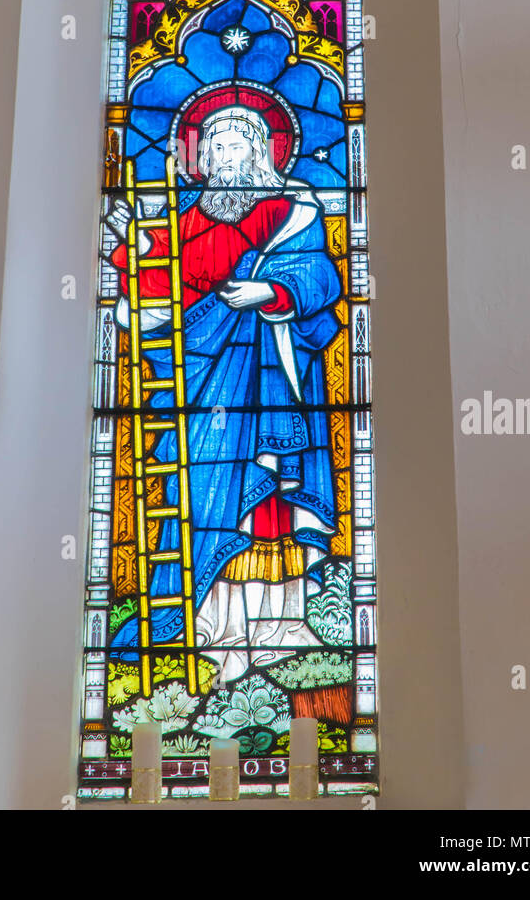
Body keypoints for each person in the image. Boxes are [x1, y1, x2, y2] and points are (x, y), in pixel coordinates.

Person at [106, 104, 341, 681]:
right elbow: (158, 279)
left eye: (237, 144)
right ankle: (206, 624)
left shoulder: (293, 208)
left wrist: (268, 290)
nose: (224, 155)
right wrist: (129, 242)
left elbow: (319, 276)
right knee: (198, 486)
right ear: (202, 156)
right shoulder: (184, 215)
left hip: (263, 365)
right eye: (213, 146)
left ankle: (279, 622)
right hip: (197, 368)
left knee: (264, 497)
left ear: (261, 150)